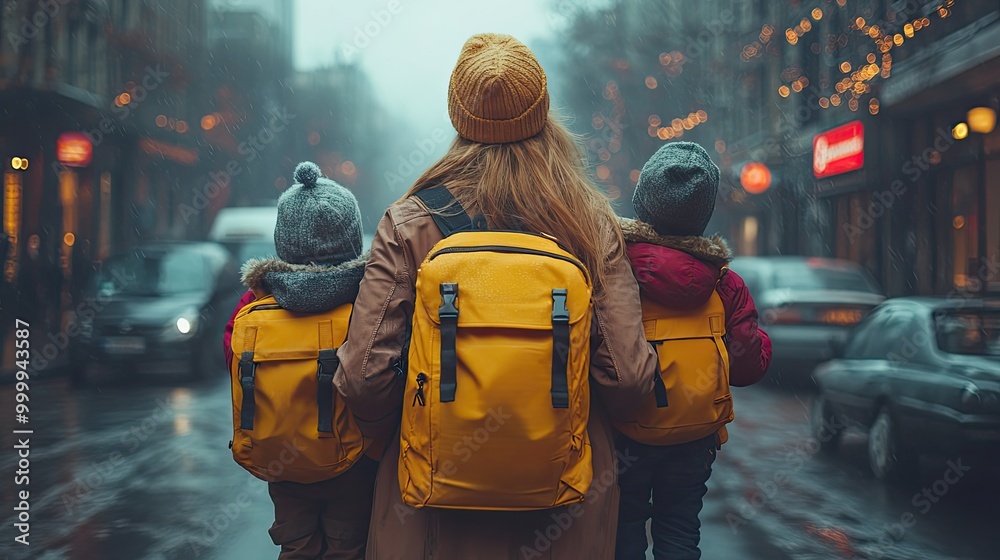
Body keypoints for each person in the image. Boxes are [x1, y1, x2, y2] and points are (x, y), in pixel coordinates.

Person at [333, 33, 660, 560]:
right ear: (543, 112)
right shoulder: (590, 224)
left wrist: (414, 431)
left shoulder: (411, 222)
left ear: (459, 118)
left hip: (430, 516)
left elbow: (363, 378)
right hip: (565, 513)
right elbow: (627, 380)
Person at [614, 142, 772, 560]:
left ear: (643, 203)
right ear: (703, 215)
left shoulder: (614, 271)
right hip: (695, 438)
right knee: (680, 530)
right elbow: (748, 367)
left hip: (626, 432)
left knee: (623, 527)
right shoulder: (724, 282)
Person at [222, 162, 379, 560]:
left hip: (282, 455)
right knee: (347, 545)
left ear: (284, 240)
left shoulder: (256, 302)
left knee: (297, 545)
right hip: (352, 458)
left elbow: (232, 352)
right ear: (351, 237)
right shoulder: (366, 301)